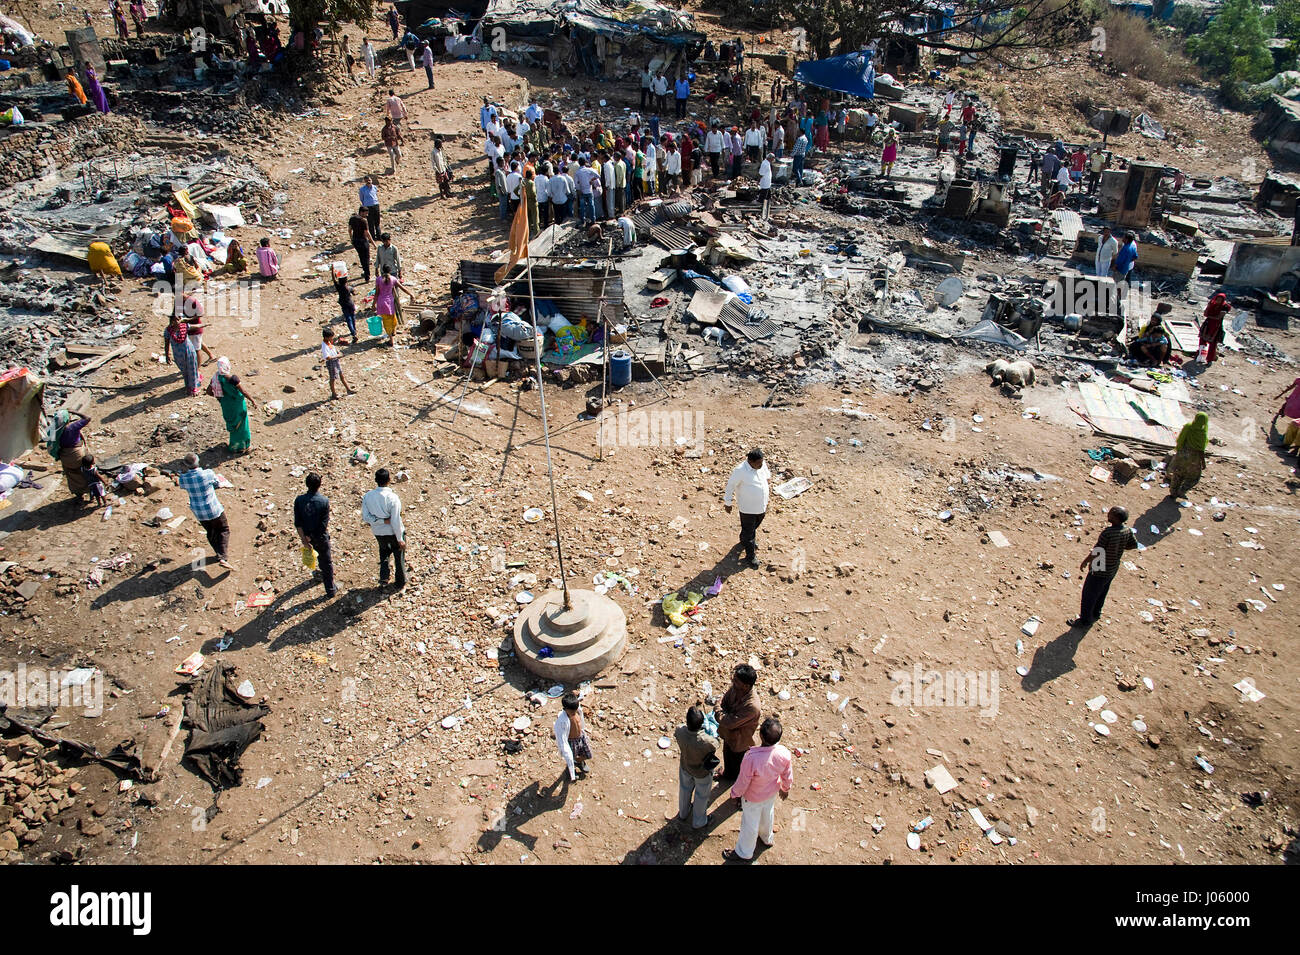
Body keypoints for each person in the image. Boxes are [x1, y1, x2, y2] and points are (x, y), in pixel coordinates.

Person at [723, 717, 793, 864]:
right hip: (771, 794)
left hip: (753, 798)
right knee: (767, 815)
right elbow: (787, 774)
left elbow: (743, 781)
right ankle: (766, 838)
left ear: (760, 735)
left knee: (749, 824)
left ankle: (744, 852)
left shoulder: (751, 757)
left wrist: (735, 794)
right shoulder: (784, 753)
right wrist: (785, 788)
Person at [1067, 505, 1136, 629]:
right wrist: (1117, 547)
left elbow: (1097, 551)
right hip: (1113, 567)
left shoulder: (1108, 533)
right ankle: (1096, 613)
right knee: (1102, 591)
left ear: (1115, 517)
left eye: (1110, 513)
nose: (1108, 515)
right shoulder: (1127, 531)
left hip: (1099, 568)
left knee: (1089, 595)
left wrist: (1086, 561)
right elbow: (1133, 545)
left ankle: (1085, 621)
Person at [178, 452, 233, 569]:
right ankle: (223, 556)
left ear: (186, 464)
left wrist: (184, 473)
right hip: (213, 508)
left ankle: (218, 553)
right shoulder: (208, 473)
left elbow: (182, 486)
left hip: (199, 511)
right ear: (198, 462)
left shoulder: (183, 478)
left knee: (211, 532)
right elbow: (217, 483)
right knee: (223, 529)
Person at [292, 472, 337, 598]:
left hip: (306, 537)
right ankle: (330, 590)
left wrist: (305, 539)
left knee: (317, 558)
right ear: (320, 485)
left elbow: (298, 522)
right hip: (320, 537)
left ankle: (319, 573)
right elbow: (323, 525)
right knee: (326, 562)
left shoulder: (299, 500)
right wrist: (312, 536)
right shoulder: (324, 501)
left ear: (307, 485)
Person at [724, 448, 770, 568]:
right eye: (758, 463)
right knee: (750, 532)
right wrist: (728, 502)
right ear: (750, 461)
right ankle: (750, 557)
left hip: (761, 506)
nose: (761, 465)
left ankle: (745, 539)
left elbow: (766, 475)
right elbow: (730, 486)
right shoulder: (740, 471)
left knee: (753, 528)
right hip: (748, 508)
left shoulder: (761, 465)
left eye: (762, 462)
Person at [716, 664, 761, 782]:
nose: (733, 682)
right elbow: (723, 701)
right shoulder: (737, 689)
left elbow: (729, 722)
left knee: (736, 762)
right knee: (727, 754)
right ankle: (727, 773)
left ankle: (734, 782)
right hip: (729, 734)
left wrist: (718, 711)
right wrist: (721, 710)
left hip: (740, 740)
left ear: (746, 686)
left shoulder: (752, 706)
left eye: (736, 681)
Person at [361, 468, 406, 588]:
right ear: (389, 480)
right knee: (398, 555)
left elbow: (365, 517)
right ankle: (400, 581)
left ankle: (384, 577)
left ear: (376, 480)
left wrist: (380, 521)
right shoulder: (392, 498)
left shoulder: (367, 497)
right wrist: (400, 538)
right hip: (392, 532)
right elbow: (395, 520)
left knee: (384, 552)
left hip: (378, 532)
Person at [675, 705, 717, 829]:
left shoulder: (680, 731)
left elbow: (678, 730)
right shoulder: (705, 740)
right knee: (701, 796)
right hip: (702, 772)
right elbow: (716, 744)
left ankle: (683, 813)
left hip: (685, 766)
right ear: (701, 725)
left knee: (684, 790)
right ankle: (699, 821)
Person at [207, 357, 256, 453]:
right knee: (242, 425)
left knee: (232, 424)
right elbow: (244, 391)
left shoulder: (215, 377)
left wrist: (219, 397)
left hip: (226, 405)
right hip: (238, 404)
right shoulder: (233, 379)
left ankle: (234, 446)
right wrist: (252, 400)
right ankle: (245, 446)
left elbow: (208, 391)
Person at [46, 410, 93, 501]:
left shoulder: (53, 431)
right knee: (87, 473)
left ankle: (79, 496)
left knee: (72, 476)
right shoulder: (72, 428)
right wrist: (73, 411)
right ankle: (91, 492)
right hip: (77, 455)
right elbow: (87, 418)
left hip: (65, 457)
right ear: (67, 419)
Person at [1167, 412, 1209, 499]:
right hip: (1193, 459)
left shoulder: (1188, 427)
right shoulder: (1202, 433)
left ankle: (1173, 492)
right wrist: (1203, 463)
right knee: (1193, 477)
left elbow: (1181, 438)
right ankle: (1182, 491)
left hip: (1182, 455)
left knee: (1177, 474)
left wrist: (1179, 451)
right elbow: (1201, 450)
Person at [555, 692, 592, 780]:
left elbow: (581, 723)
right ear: (565, 709)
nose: (574, 713)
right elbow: (561, 735)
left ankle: (578, 762)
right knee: (571, 756)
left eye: (575, 711)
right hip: (571, 741)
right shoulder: (562, 720)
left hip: (581, 737)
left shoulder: (577, 711)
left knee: (588, 754)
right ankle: (571, 768)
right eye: (572, 712)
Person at [374, 266, 413, 347]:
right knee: (392, 317)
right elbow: (403, 288)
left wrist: (373, 304)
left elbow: (377, 293)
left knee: (386, 321)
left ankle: (391, 340)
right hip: (390, 302)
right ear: (390, 271)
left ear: (382, 270)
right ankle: (393, 332)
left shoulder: (378, 279)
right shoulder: (393, 279)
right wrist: (411, 294)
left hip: (381, 302)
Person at [163, 314, 201, 396]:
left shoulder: (184, 326)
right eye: (175, 320)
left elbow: (195, 326)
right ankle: (188, 386)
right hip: (178, 355)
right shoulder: (168, 331)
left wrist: (203, 325)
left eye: (179, 319)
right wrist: (167, 355)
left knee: (192, 368)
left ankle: (193, 387)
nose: (177, 321)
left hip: (189, 351)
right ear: (172, 321)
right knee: (184, 370)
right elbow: (166, 344)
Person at [321, 328, 354, 399]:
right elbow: (327, 357)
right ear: (326, 337)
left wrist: (338, 352)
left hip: (336, 361)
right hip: (331, 363)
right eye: (331, 337)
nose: (332, 338)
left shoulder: (328, 342)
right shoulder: (324, 346)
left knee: (341, 375)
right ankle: (333, 394)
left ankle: (348, 389)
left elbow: (333, 348)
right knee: (332, 378)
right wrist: (338, 356)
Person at [1198, 292, 1230, 364]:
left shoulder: (1225, 307)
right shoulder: (1212, 304)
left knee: (1212, 343)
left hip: (1216, 326)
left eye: (1220, 300)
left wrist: (1209, 316)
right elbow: (1205, 313)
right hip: (1207, 324)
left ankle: (1209, 359)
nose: (1218, 301)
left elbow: (1219, 317)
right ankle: (1200, 355)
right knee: (1202, 340)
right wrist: (1209, 306)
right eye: (1217, 299)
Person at [1270, 376, 1300, 443]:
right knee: (1296, 421)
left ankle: (1286, 436)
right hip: (1295, 401)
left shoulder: (1298, 379)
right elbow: (1290, 387)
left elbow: (1290, 388)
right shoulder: (1298, 380)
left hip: (1293, 400)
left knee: (1294, 421)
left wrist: (1280, 395)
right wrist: (1279, 395)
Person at [348, 207, 371, 281]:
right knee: (366, 258)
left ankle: (365, 272)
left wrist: (351, 239)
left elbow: (349, 230)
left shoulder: (352, 219)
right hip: (363, 241)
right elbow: (367, 233)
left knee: (361, 257)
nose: (366, 215)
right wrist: (373, 243)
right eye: (366, 213)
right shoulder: (363, 221)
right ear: (361, 212)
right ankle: (367, 275)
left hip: (356, 241)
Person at [334, 273, 357, 343]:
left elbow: (334, 280)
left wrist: (333, 271)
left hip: (344, 305)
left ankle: (353, 333)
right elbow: (354, 293)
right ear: (346, 281)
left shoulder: (339, 287)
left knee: (348, 319)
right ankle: (354, 330)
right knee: (353, 317)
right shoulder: (348, 288)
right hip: (351, 304)